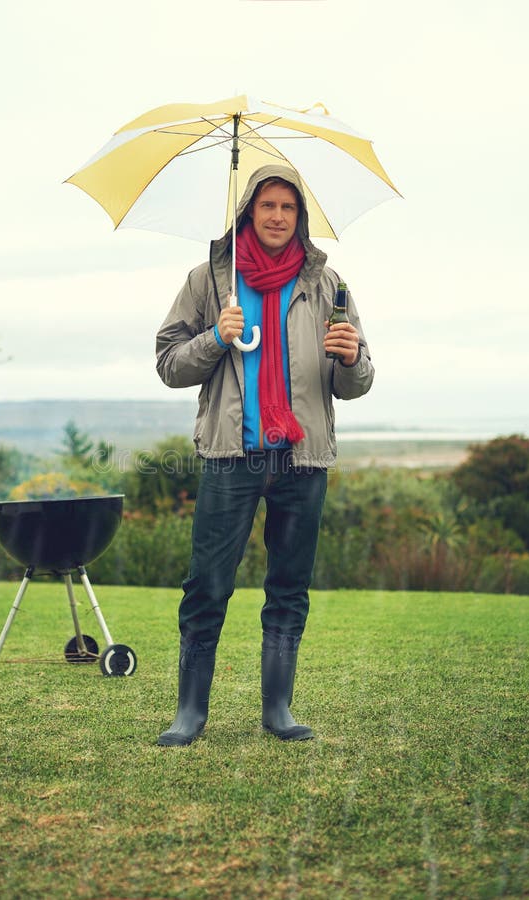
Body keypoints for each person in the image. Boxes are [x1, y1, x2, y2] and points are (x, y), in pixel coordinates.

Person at [155, 164, 374, 746]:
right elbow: (169, 365)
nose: (278, 217)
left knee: (289, 585)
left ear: (300, 218)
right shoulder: (210, 280)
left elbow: (355, 383)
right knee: (207, 584)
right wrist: (215, 336)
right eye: (266, 206)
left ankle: (278, 710)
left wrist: (351, 358)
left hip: (303, 461)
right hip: (232, 457)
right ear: (248, 211)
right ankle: (190, 714)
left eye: (289, 208)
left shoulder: (329, 286)